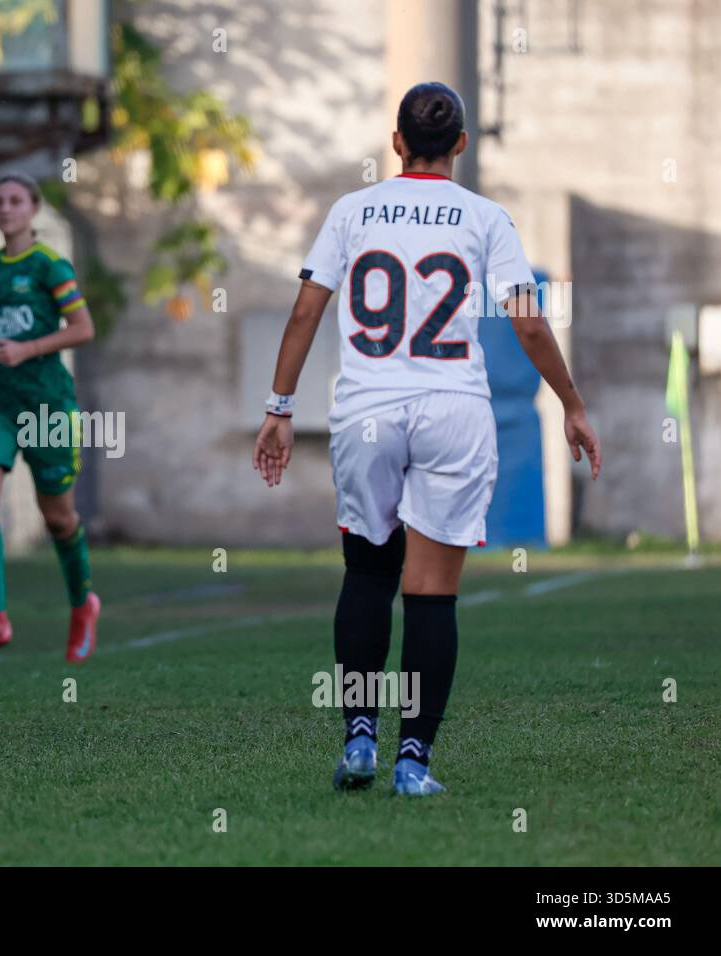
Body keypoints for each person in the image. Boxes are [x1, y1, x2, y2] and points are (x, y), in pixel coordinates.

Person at [253, 82, 601, 796]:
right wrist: (570, 402)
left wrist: (279, 407)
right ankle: (413, 762)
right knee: (431, 593)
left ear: (396, 142)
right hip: (452, 410)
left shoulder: (352, 210)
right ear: (462, 145)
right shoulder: (486, 217)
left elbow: (303, 314)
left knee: (368, 573)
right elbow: (530, 322)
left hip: (368, 411)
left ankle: (358, 739)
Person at [0, 174, 100, 663]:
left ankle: (83, 605)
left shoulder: (50, 265)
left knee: (58, 518)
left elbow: (83, 327)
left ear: (34, 208)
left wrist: (30, 348)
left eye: (15, 201)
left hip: (46, 407)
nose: (4, 209)